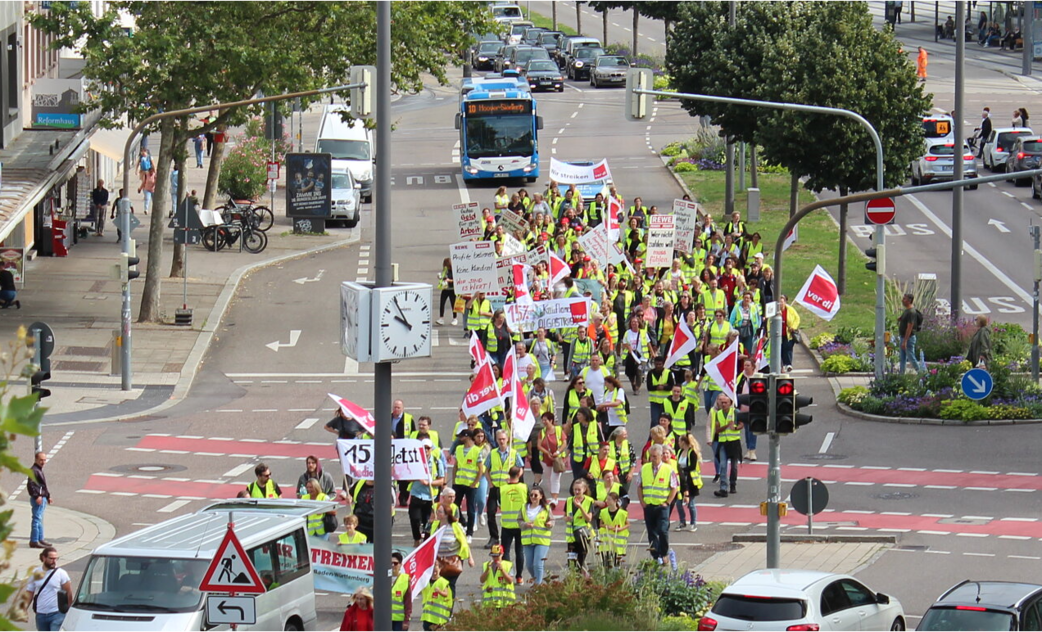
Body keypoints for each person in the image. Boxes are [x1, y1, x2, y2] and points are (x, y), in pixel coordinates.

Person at [638, 444, 678, 565]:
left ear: (661, 456)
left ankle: (664, 553)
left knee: (663, 530)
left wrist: (668, 502)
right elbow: (639, 486)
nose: (652, 458)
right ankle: (656, 556)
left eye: (655, 456)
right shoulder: (644, 469)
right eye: (651, 456)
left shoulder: (668, 469)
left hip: (662, 506)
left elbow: (674, 488)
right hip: (649, 506)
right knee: (651, 532)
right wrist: (642, 502)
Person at [484, 430, 522, 549]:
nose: (501, 441)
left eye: (503, 439)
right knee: (490, 512)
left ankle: (512, 535)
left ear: (507, 440)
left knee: (510, 513)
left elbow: (520, 467)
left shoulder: (514, 453)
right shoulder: (492, 453)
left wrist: (515, 479)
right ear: (496, 440)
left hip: (509, 488)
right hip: (495, 488)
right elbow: (486, 469)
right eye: (499, 439)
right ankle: (494, 537)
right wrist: (490, 483)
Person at [409, 438, 446, 547]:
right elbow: (407, 478)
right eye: (423, 448)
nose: (425, 450)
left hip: (431, 497)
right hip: (417, 494)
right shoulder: (415, 461)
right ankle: (416, 538)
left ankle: (426, 543)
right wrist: (416, 477)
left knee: (429, 522)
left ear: (431, 449)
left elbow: (441, 480)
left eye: (427, 448)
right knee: (415, 519)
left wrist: (430, 482)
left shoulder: (436, 462)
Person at [25, 546, 72, 632]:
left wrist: (68, 611)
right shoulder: (35, 573)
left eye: (56, 558)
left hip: (57, 613)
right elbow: (29, 592)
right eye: (51, 558)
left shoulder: (61, 573)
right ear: (44, 558)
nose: (54, 561)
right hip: (40, 614)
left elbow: (68, 593)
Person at [497, 466, 527, 583]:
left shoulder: (502, 488)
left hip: (506, 524)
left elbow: (499, 503)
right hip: (520, 524)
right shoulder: (524, 487)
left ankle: (508, 573)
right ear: (519, 474)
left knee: (506, 551)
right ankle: (519, 577)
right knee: (520, 551)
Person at [518, 485, 553, 585]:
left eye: (535, 495)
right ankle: (539, 580)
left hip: (542, 540)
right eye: (531, 495)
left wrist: (550, 524)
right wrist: (525, 524)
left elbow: (552, 520)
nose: (533, 497)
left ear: (541, 496)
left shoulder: (546, 508)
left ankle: (538, 585)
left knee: (538, 564)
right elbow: (519, 520)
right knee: (529, 565)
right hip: (527, 540)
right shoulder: (524, 507)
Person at [452, 429, 483, 539]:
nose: (459, 439)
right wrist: (454, 480)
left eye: (461, 436)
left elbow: (480, 469)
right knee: (455, 506)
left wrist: (475, 483)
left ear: (468, 437)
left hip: (471, 484)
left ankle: (469, 532)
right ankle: (462, 523)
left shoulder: (476, 451)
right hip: (459, 482)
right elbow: (455, 466)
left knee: (470, 509)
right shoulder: (459, 449)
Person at [712, 395, 742, 498]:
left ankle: (733, 484)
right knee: (723, 465)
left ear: (730, 403)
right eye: (722, 403)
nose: (723, 404)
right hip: (723, 442)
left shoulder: (735, 412)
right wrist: (727, 426)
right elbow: (717, 429)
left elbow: (742, 424)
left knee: (734, 466)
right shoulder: (718, 414)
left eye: (726, 403)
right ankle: (723, 488)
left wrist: (736, 427)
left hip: (734, 442)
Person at [564, 478, 594, 574]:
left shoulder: (589, 501)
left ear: (584, 489)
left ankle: (580, 580)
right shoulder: (569, 500)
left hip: (583, 535)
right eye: (575, 489)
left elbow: (588, 518)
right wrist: (566, 518)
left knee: (580, 561)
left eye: (579, 490)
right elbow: (564, 515)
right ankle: (576, 580)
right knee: (571, 562)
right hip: (571, 536)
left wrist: (580, 507)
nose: (576, 492)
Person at [673, 433, 703, 532]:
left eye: (679, 441)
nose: (678, 443)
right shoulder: (679, 452)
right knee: (678, 503)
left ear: (684, 442)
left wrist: (681, 469)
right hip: (680, 481)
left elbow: (692, 467)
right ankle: (682, 522)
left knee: (691, 504)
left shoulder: (692, 453)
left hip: (690, 482)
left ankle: (693, 523)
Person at [736, 358, 760, 461]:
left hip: (755, 407)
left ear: (753, 367)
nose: (745, 367)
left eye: (748, 365)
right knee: (746, 429)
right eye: (745, 365)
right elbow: (737, 389)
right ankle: (748, 450)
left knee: (753, 428)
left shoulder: (757, 377)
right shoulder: (741, 377)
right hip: (743, 407)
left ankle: (752, 450)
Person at [598, 491, 629, 568]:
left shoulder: (622, 513)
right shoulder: (603, 512)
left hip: (618, 542)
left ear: (615, 501)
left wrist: (620, 529)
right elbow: (600, 524)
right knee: (606, 563)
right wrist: (606, 526)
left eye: (609, 499)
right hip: (607, 542)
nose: (607, 501)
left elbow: (627, 524)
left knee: (616, 563)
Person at [420, 561, 453, 631]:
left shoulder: (443, 582)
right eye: (433, 571)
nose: (434, 573)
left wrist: (440, 591)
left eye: (436, 571)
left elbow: (446, 594)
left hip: (438, 618)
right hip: (427, 616)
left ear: (440, 569)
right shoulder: (426, 581)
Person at [27, 452, 51, 548]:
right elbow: (31, 485)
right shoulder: (34, 470)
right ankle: (34, 540)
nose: (43, 462)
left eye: (44, 460)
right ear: (36, 459)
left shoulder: (38, 470)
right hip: (39, 498)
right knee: (37, 519)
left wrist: (48, 496)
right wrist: (37, 496)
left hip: (42, 497)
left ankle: (40, 539)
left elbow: (43, 486)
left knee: (39, 519)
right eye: (41, 460)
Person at [898, 293, 924, 374]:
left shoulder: (911, 312)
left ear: (909, 301)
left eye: (904, 299)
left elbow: (910, 327)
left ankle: (921, 374)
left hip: (908, 339)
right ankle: (901, 376)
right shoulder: (907, 310)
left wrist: (905, 341)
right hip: (903, 337)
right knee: (902, 358)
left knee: (911, 357)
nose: (902, 300)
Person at [390, 551, 412, 632]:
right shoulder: (383, 577)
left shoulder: (405, 579)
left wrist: (406, 620)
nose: (392, 565)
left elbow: (408, 602)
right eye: (390, 563)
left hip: (399, 620)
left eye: (395, 563)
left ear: (400, 565)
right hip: (385, 618)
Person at [778, 295, 801, 372]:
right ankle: (781, 366)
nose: (780, 304)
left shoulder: (790, 310)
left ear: (785, 302)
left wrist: (793, 327)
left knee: (787, 348)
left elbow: (797, 318)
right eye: (779, 302)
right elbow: (769, 321)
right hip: (778, 334)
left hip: (788, 334)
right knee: (779, 349)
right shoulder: (775, 310)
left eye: (782, 302)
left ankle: (788, 364)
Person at [436, 257, 457, 326]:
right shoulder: (445, 270)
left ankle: (455, 318)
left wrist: (449, 280)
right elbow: (443, 277)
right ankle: (441, 318)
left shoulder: (454, 271)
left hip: (452, 289)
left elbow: (456, 280)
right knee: (442, 303)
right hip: (445, 288)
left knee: (453, 304)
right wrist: (440, 277)